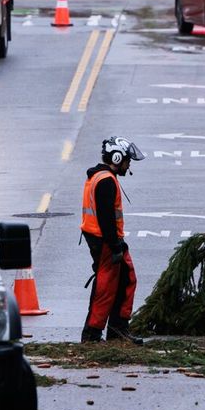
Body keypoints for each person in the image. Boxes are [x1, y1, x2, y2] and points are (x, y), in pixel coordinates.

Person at [80, 136, 145, 344]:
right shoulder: (106, 181)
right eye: (127, 160)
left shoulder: (100, 177)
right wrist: (115, 245)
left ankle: (117, 331)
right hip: (105, 242)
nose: (129, 165)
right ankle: (92, 335)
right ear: (117, 158)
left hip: (105, 240)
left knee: (126, 280)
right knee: (105, 288)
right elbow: (106, 218)